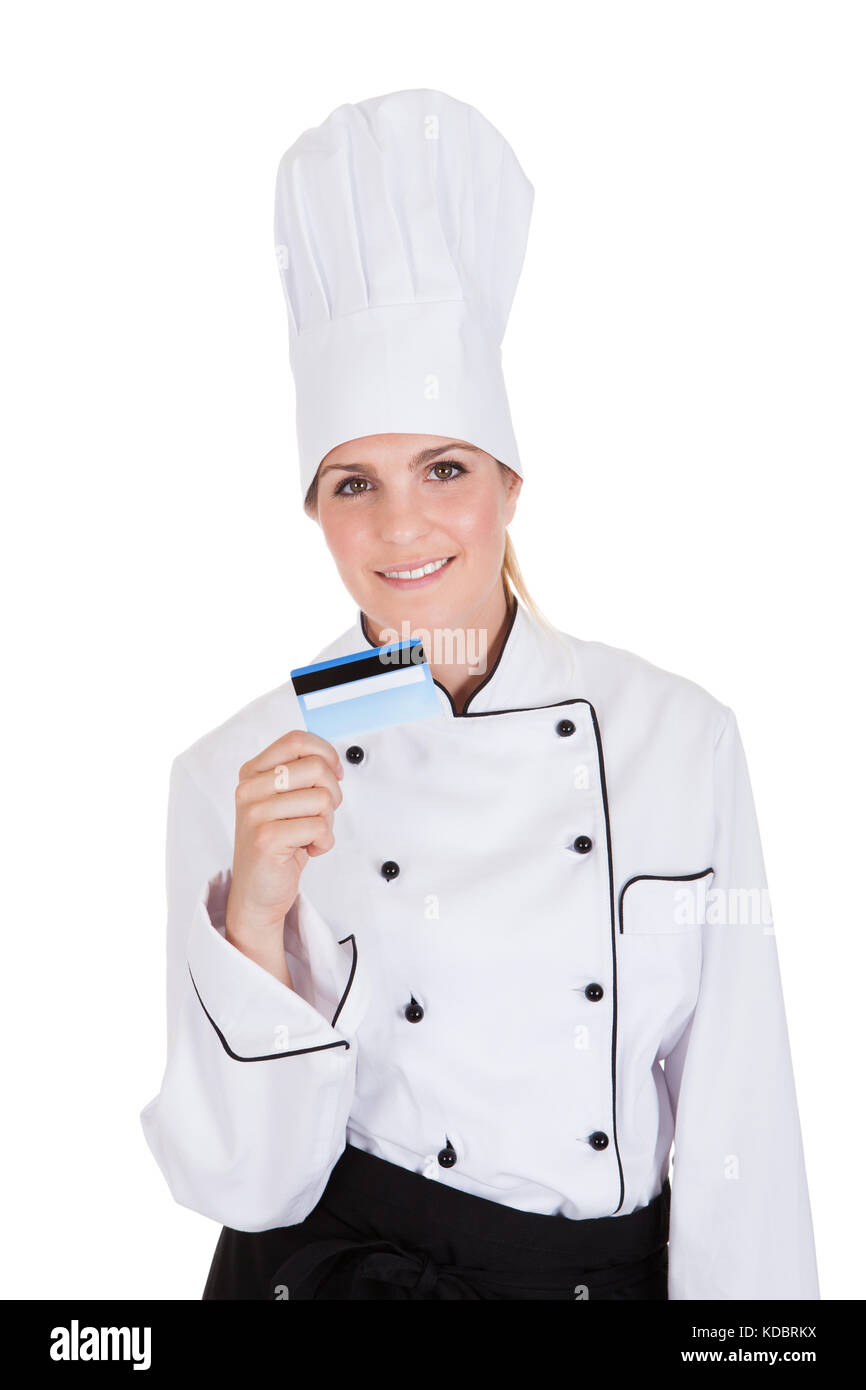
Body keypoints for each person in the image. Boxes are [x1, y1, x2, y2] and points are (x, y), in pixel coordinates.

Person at [140, 89, 820, 1301]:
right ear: (313, 509)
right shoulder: (237, 770)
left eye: (442, 468)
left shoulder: (677, 740)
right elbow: (248, 1185)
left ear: (509, 483)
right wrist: (254, 922)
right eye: (353, 483)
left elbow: (740, 1128)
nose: (400, 528)